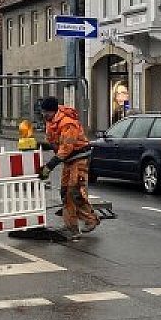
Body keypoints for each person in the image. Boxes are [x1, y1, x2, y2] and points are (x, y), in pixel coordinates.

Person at [38, 96, 100, 240]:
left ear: (53, 111)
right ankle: (71, 227)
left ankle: (91, 219)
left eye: (46, 112)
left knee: (74, 191)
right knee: (66, 193)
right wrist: (43, 146)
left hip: (78, 158)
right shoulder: (51, 122)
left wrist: (49, 166)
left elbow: (66, 147)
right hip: (69, 159)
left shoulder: (67, 123)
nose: (44, 115)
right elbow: (57, 143)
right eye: (43, 112)